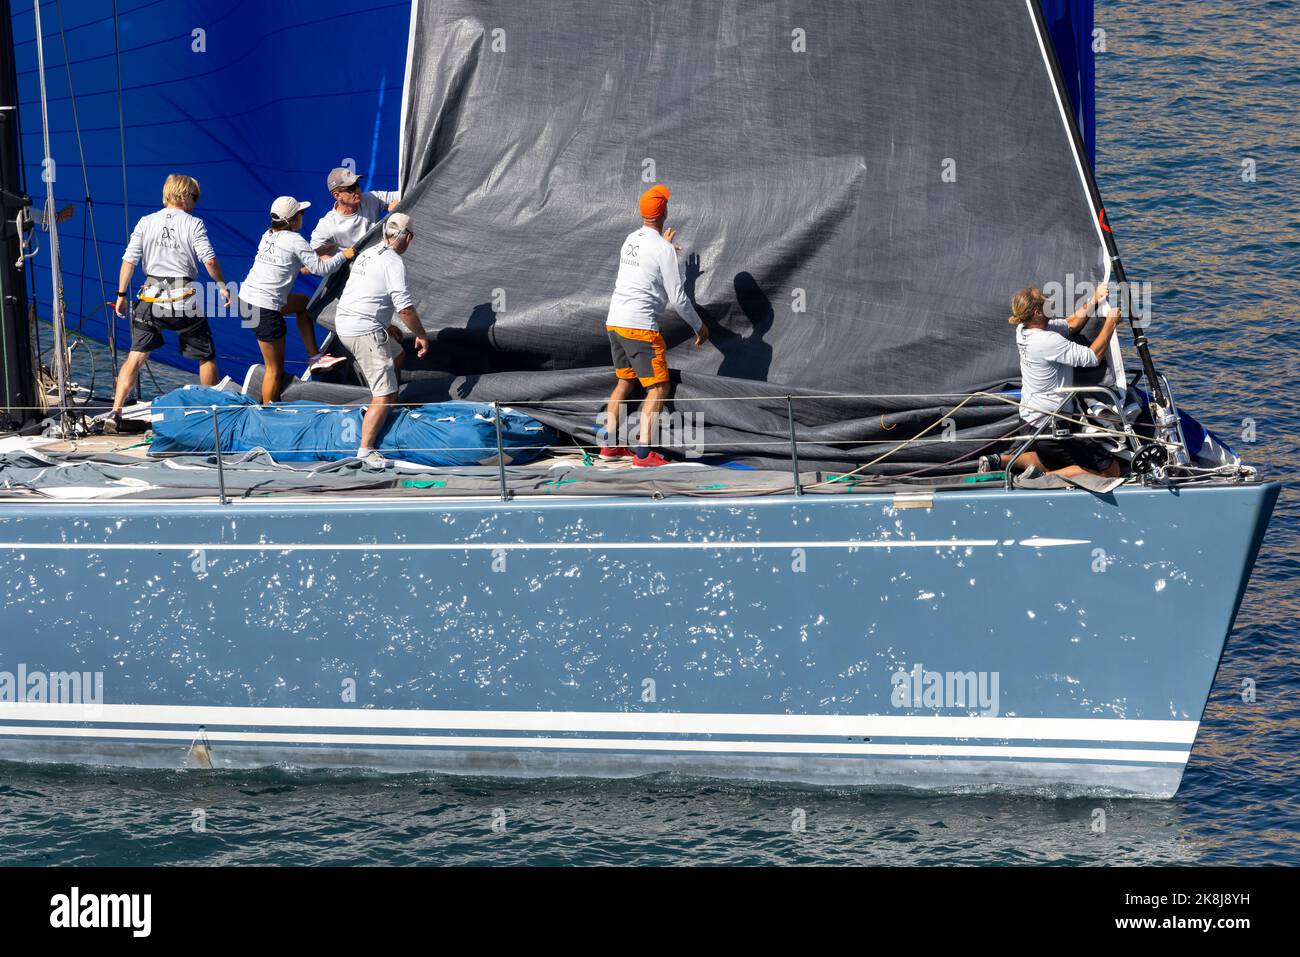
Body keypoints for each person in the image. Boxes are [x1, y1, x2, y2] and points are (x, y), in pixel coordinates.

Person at [105, 174, 231, 433]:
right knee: (206, 357)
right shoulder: (194, 224)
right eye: (194, 197)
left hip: (149, 297)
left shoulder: (146, 222)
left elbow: (129, 261)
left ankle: (115, 412)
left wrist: (120, 295)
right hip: (182, 298)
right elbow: (208, 260)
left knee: (136, 357)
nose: (196, 202)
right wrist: (222, 285)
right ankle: (209, 416)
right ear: (184, 196)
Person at [600, 183, 709, 467]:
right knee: (659, 389)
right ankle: (644, 455)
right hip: (639, 327)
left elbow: (646, 263)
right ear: (665, 212)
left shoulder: (631, 240)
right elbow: (678, 298)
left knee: (625, 381)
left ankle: (609, 447)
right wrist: (699, 326)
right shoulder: (661, 249)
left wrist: (666, 247)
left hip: (615, 323)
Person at [990, 282, 1122, 480]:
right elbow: (1092, 357)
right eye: (1046, 305)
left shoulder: (1023, 329)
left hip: (1030, 420)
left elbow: (1071, 324)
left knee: (1049, 460)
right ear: (1037, 312)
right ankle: (1035, 481)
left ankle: (999, 460)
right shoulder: (1047, 341)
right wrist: (1110, 323)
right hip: (1050, 425)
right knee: (1111, 471)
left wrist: (1094, 299)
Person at [236, 197, 354, 404]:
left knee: (302, 304)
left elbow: (295, 258)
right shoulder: (295, 240)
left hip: (246, 303)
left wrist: (318, 251)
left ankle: (315, 357)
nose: (303, 216)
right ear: (292, 220)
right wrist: (345, 255)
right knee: (274, 368)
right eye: (301, 213)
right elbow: (321, 269)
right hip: (264, 308)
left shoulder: (268, 235)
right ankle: (267, 414)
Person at [332, 213, 429, 467]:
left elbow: (364, 294)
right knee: (383, 394)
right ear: (406, 237)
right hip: (363, 330)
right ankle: (366, 451)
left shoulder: (368, 253)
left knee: (397, 354)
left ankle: (386, 409)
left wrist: (388, 324)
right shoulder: (393, 263)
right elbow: (405, 308)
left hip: (348, 322)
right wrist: (420, 334)